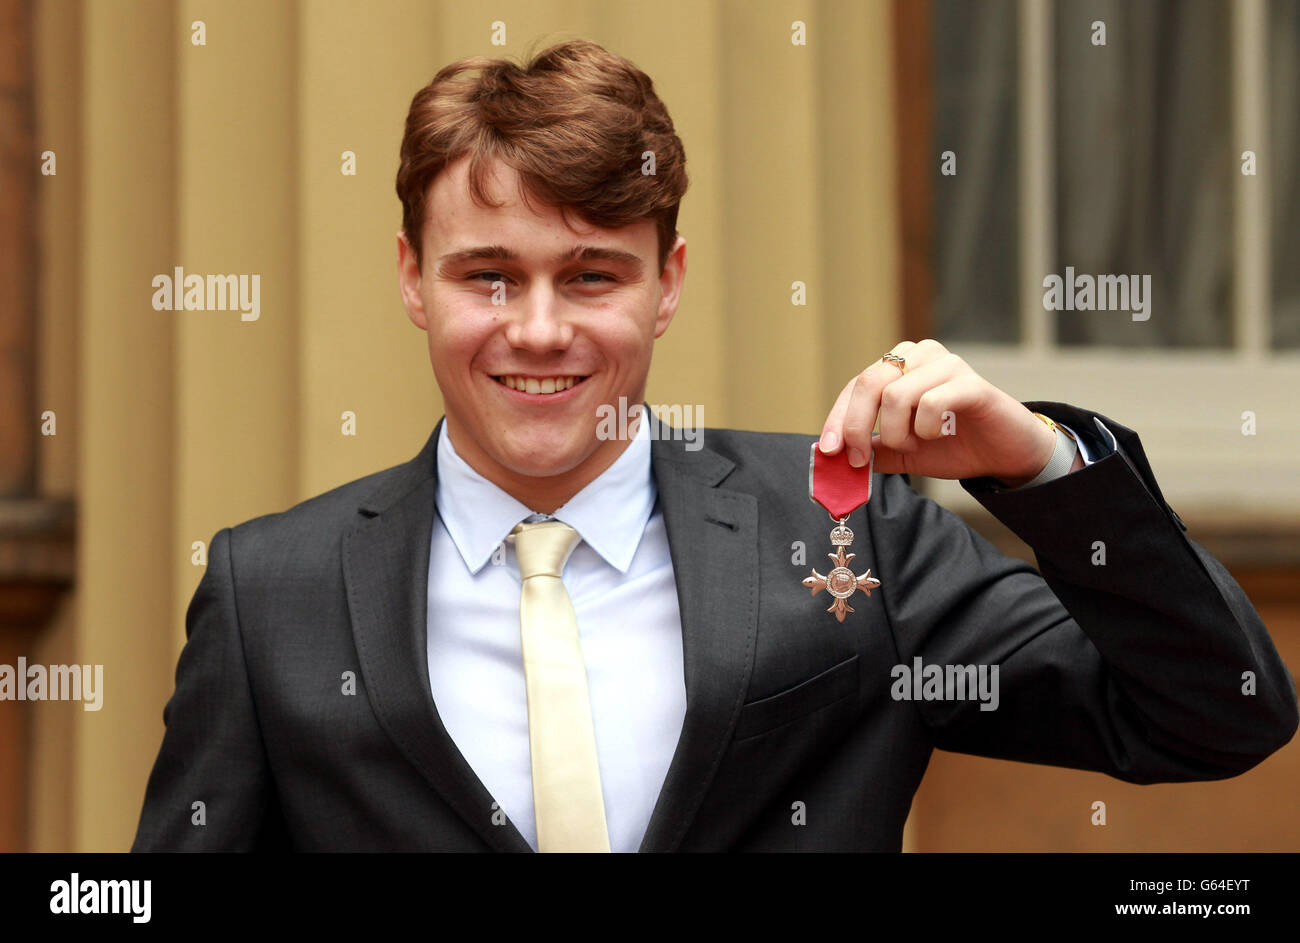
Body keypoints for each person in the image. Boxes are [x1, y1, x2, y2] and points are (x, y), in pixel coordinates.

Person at [132, 39, 1297, 853]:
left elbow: (1214, 710)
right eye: (489, 275)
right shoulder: (269, 589)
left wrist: (1040, 466)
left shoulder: (849, 529)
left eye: (592, 275)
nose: (538, 329)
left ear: (667, 284)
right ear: (412, 281)